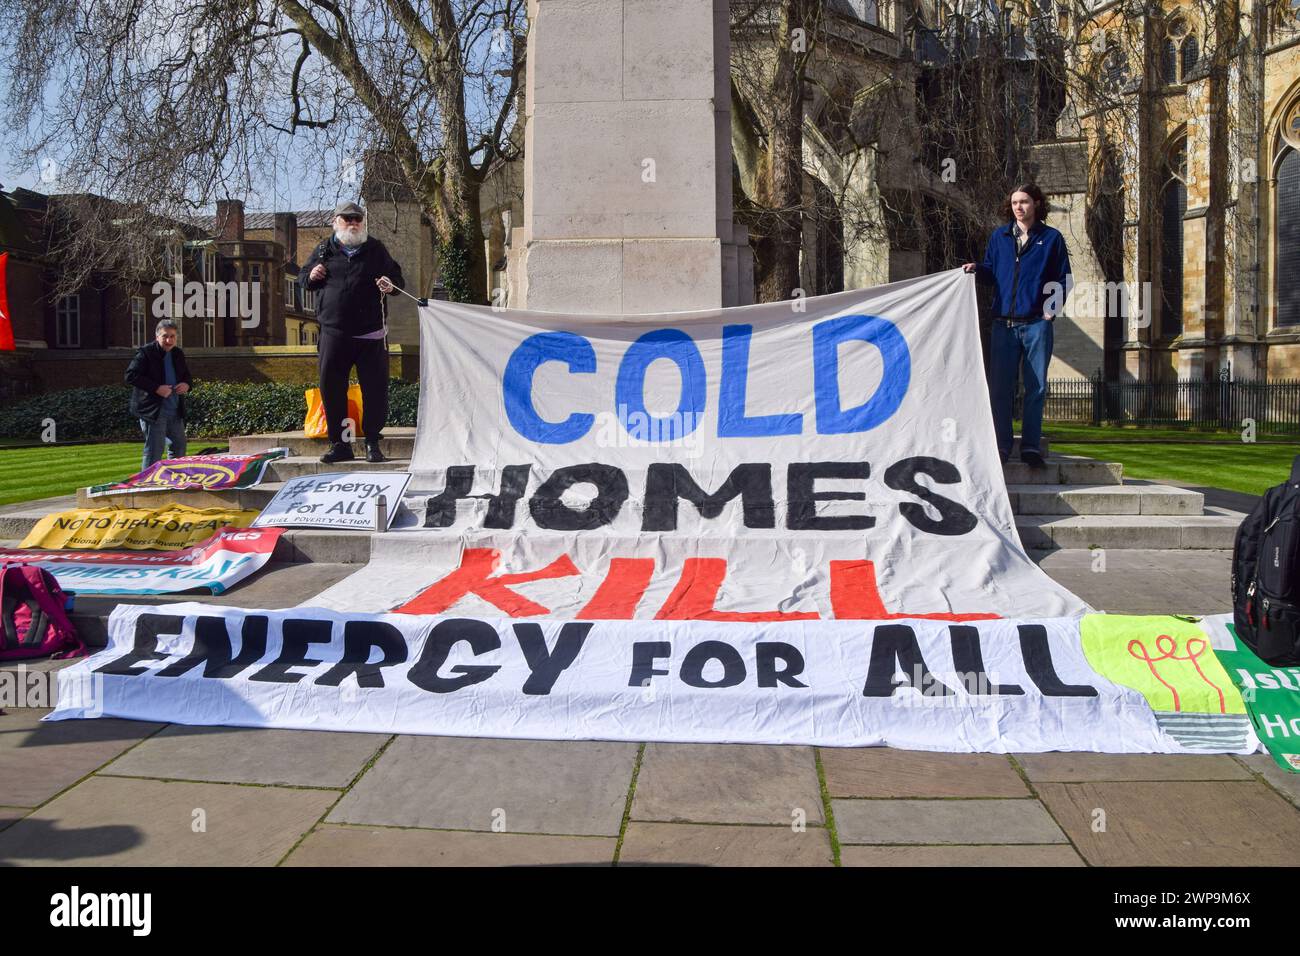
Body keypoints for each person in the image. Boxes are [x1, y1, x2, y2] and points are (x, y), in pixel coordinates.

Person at [964, 183, 1072, 469]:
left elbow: (1064, 280)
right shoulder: (999, 237)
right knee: (1000, 389)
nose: (1019, 207)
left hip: (1037, 324)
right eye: (1014, 203)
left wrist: (1051, 310)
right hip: (1003, 325)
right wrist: (976, 270)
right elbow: (992, 274)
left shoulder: (1051, 239)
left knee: (1035, 389)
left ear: (1036, 203)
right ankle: (1001, 446)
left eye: (1024, 202)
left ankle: (1030, 447)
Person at [300, 200, 406, 464]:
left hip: (370, 335)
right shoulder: (324, 249)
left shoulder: (376, 249)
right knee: (332, 388)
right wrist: (312, 274)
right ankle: (340, 444)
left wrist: (389, 285)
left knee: (375, 389)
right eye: (347, 219)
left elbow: (398, 282)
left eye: (357, 219)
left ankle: (372, 442)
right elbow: (303, 279)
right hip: (334, 334)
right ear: (336, 223)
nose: (353, 223)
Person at [126, 318, 192, 471]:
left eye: (172, 336)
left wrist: (187, 385)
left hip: (175, 410)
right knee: (154, 451)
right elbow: (131, 375)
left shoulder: (178, 354)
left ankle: (175, 483)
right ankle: (147, 487)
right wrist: (156, 388)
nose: (169, 340)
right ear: (157, 336)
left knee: (179, 447)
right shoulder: (146, 352)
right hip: (154, 411)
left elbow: (187, 376)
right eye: (165, 336)